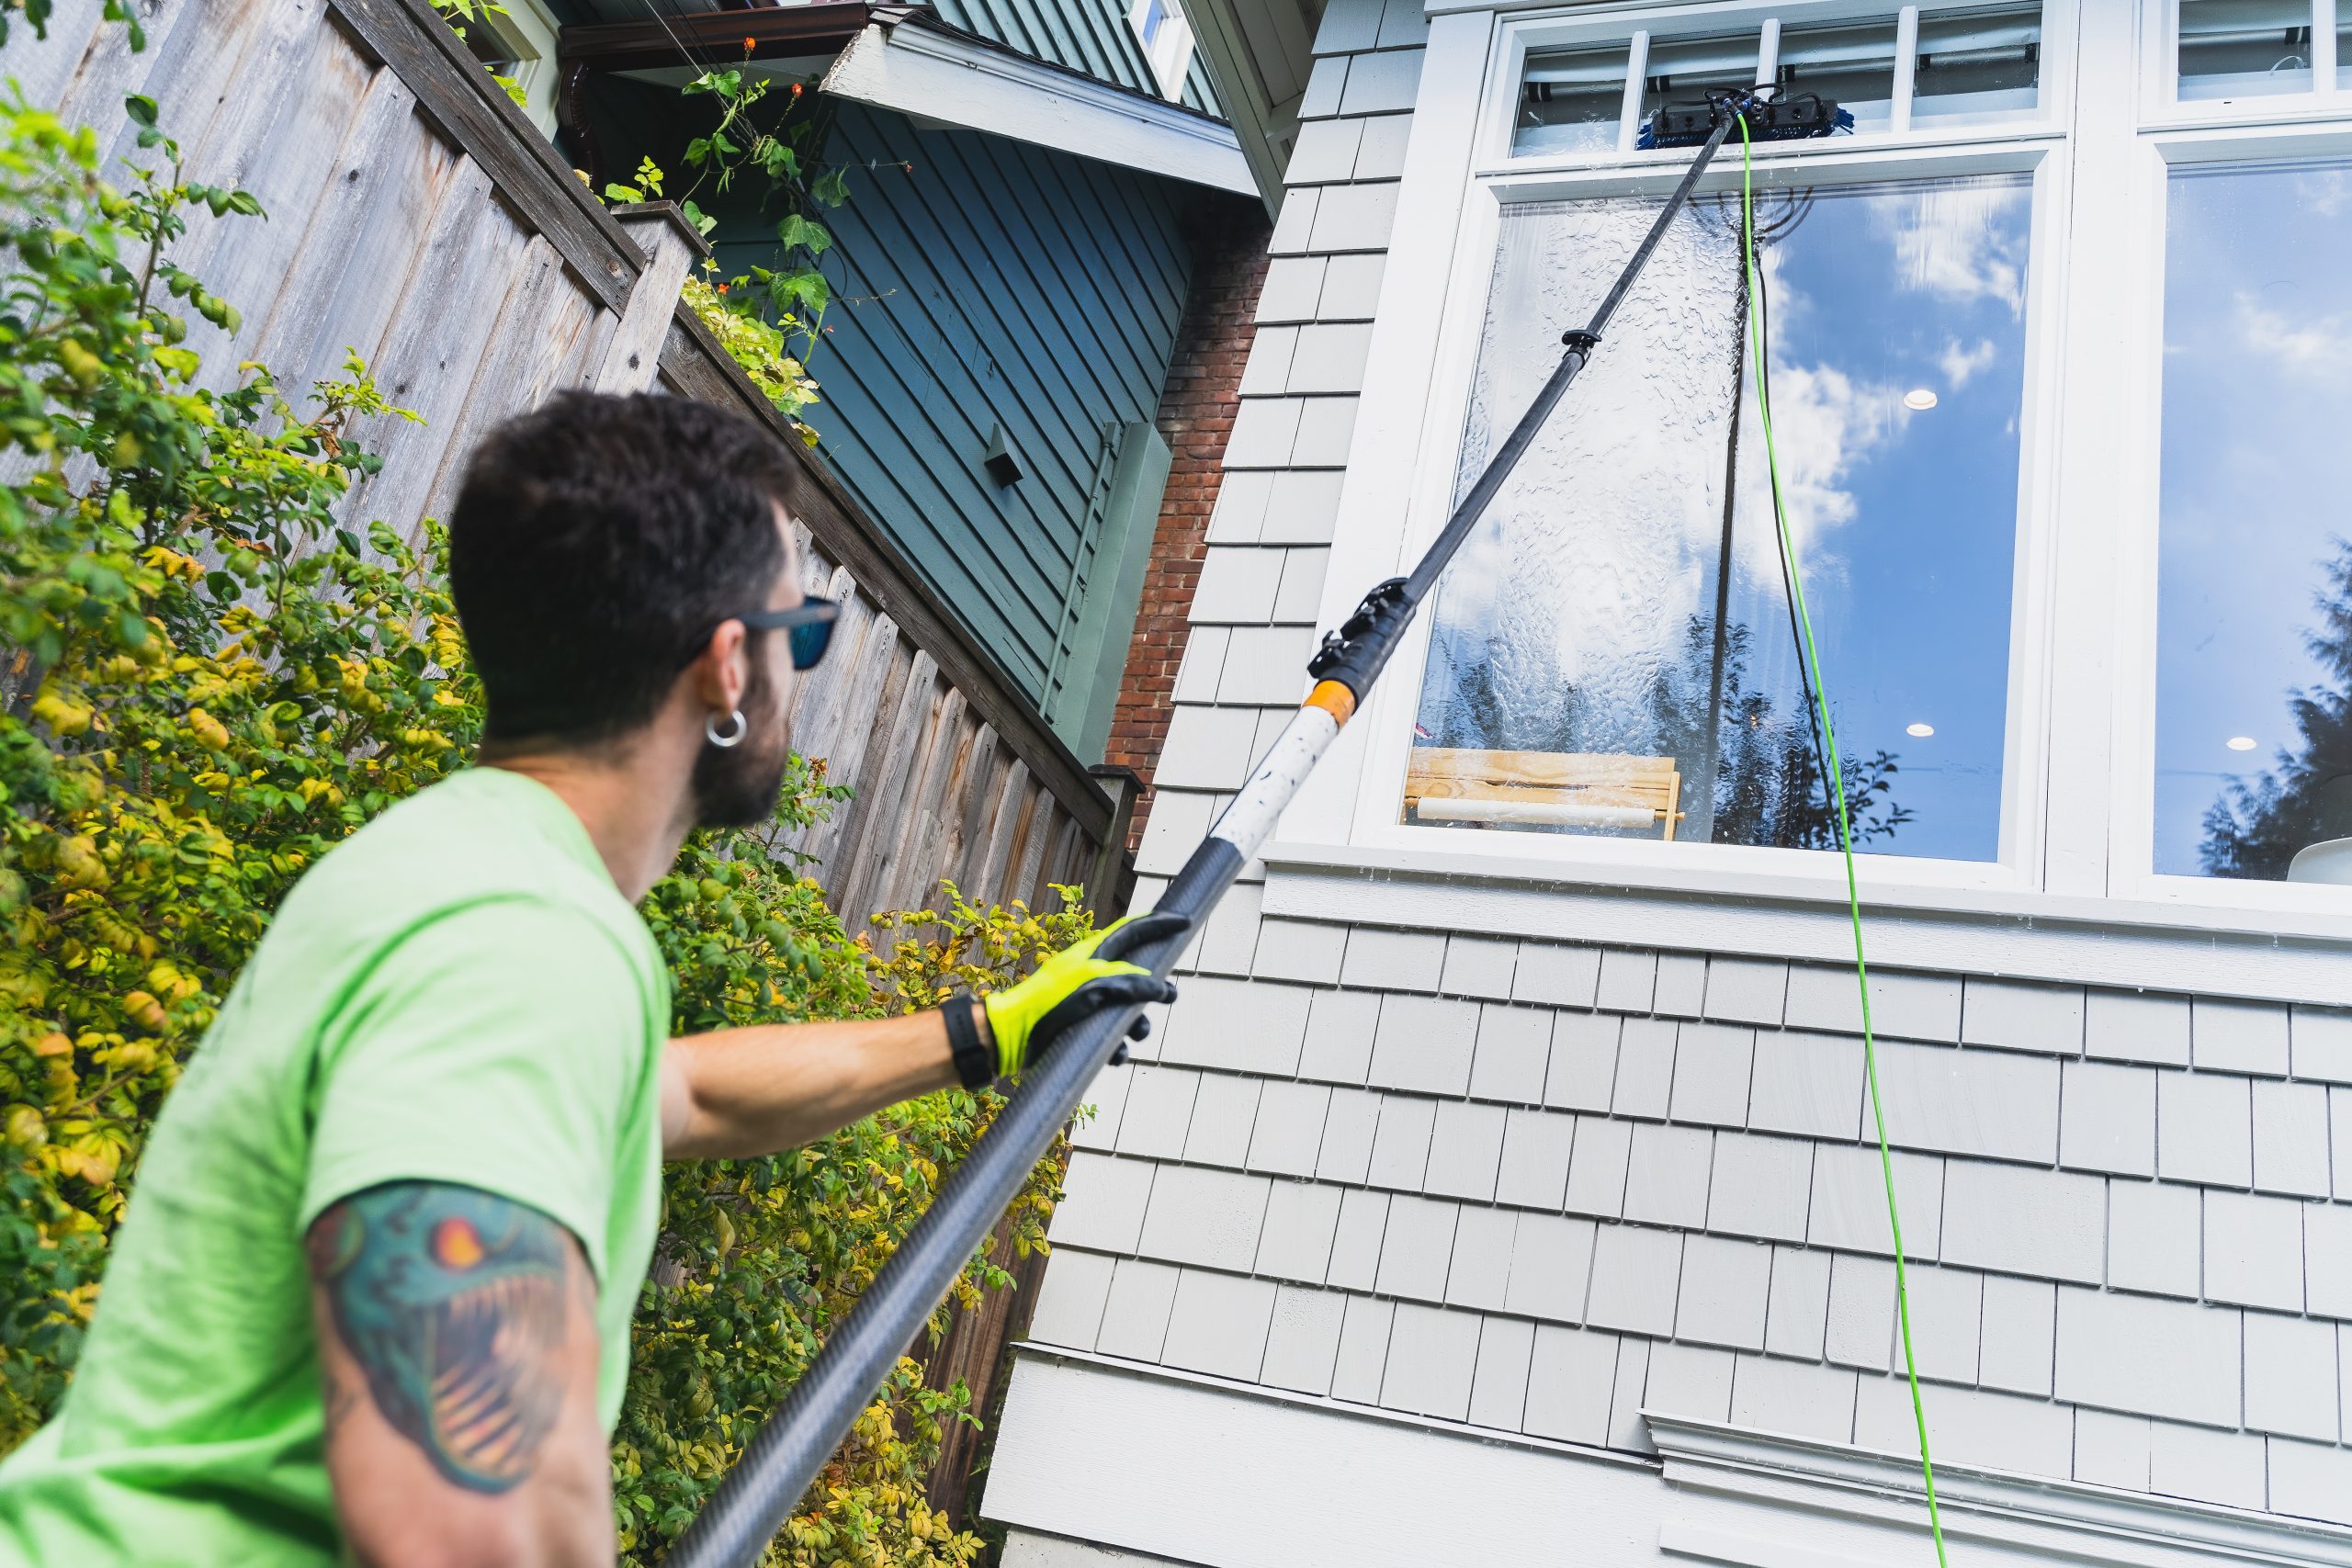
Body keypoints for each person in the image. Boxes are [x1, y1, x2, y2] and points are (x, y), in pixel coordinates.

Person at [0, 392, 1179, 1566]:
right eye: (797, 634)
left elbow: (679, 1096)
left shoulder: (445, 873)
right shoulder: (524, 939)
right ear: (727, 666)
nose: (793, 672)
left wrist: (988, 1031)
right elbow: (456, 1519)